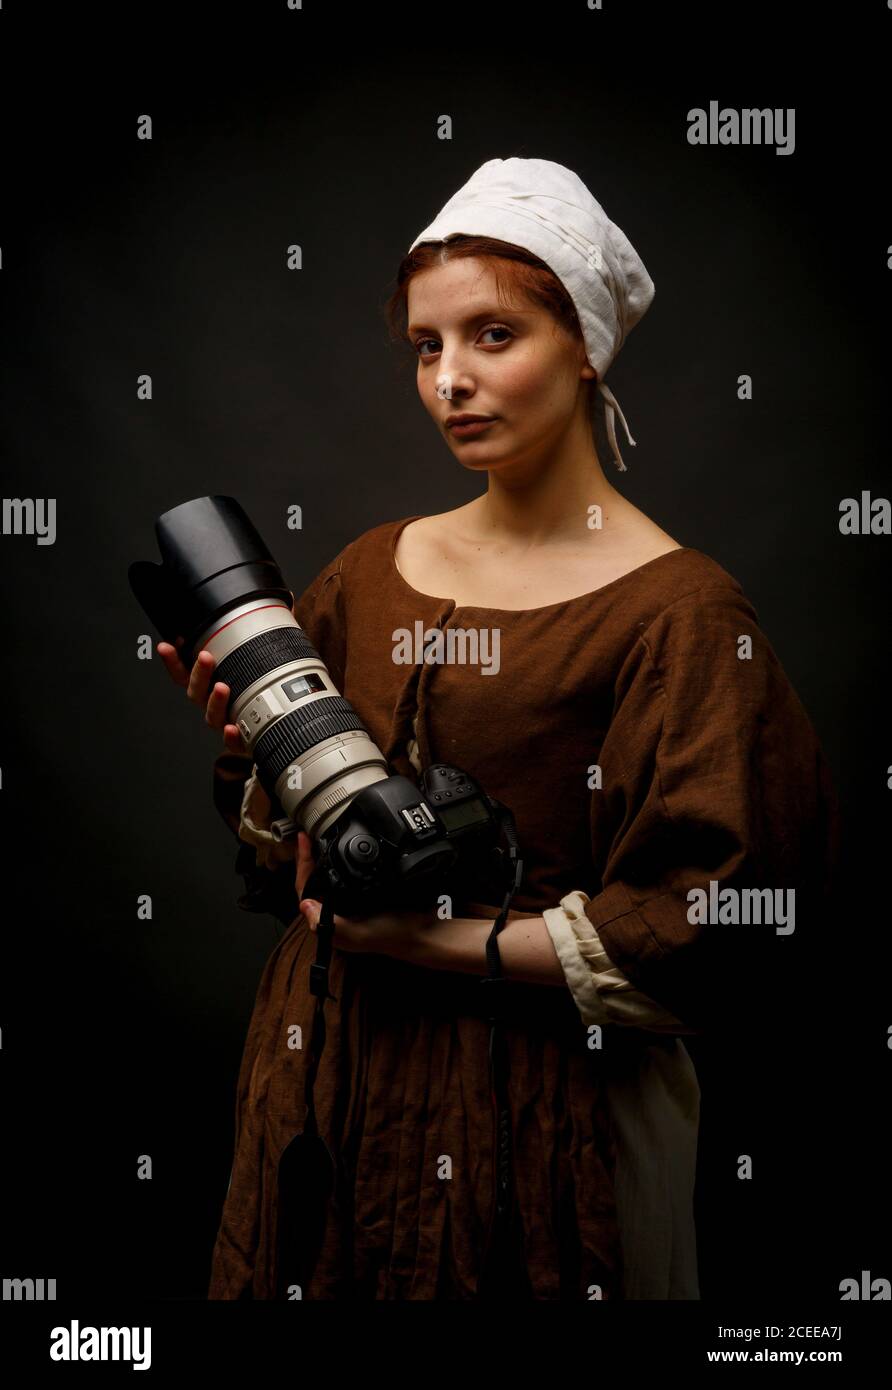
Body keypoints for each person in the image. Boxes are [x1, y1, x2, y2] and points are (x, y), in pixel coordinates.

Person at [158, 158, 840, 1300]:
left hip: (543, 1107)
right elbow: (293, 859)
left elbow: (714, 913)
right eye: (428, 346)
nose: (450, 381)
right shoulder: (370, 566)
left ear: (583, 345)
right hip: (327, 1076)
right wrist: (269, 771)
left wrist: (434, 943)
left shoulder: (681, 610)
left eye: (492, 336)